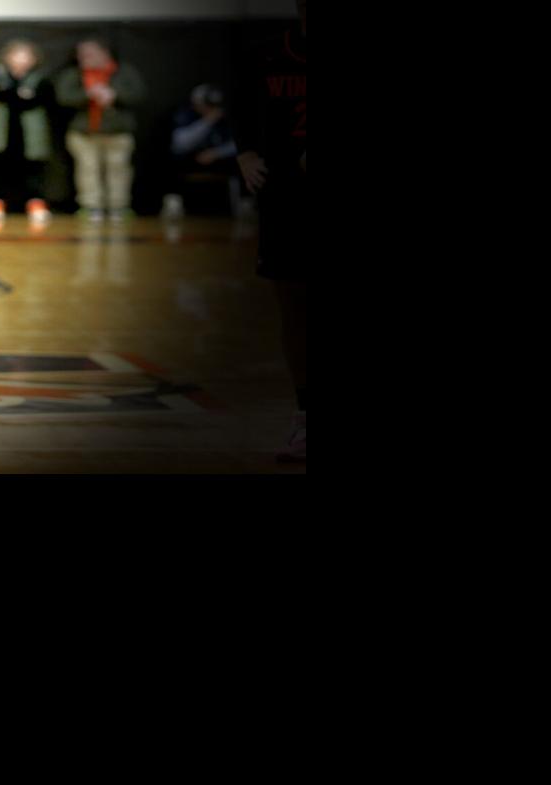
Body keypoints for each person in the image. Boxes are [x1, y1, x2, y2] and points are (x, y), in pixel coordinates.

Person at [235, 0, 307, 462]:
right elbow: (243, 106)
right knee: (295, 308)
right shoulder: (268, 54)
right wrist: (244, 151)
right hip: (288, 200)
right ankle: (305, 414)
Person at [0, 39, 56, 232]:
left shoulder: (39, 80)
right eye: (16, 56)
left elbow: (40, 100)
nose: (21, 61)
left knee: (32, 173)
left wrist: (20, 96)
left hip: (27, 138)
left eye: (25, 56)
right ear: (7, 57)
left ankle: (36, 206)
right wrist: (17, 95)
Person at [54, 37, 147, 222]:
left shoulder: (122, 72)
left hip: (117, 133)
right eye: (81, 54)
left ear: (104, 52)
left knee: (118, 170)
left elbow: (138, 95)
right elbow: (63, 98)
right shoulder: (73, 74)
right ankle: (91, 207)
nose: (84, 57)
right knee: (87, 170)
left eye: (89, 53)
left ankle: (118, 207)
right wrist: (88, 95)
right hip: (83, 133)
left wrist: (114, 94)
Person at [161, 83, 245, 220]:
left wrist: (216, 153)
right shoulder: (186, 114)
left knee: (243, 160)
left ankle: (244, 204)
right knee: (173, 159)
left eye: (214, 106)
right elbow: (179, 144)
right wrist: (208, 121)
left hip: (219, 159)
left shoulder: (226, 117)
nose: (210, 109)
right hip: (193, 158)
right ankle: (173, 203)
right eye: (207, 105)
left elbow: (237, 145)